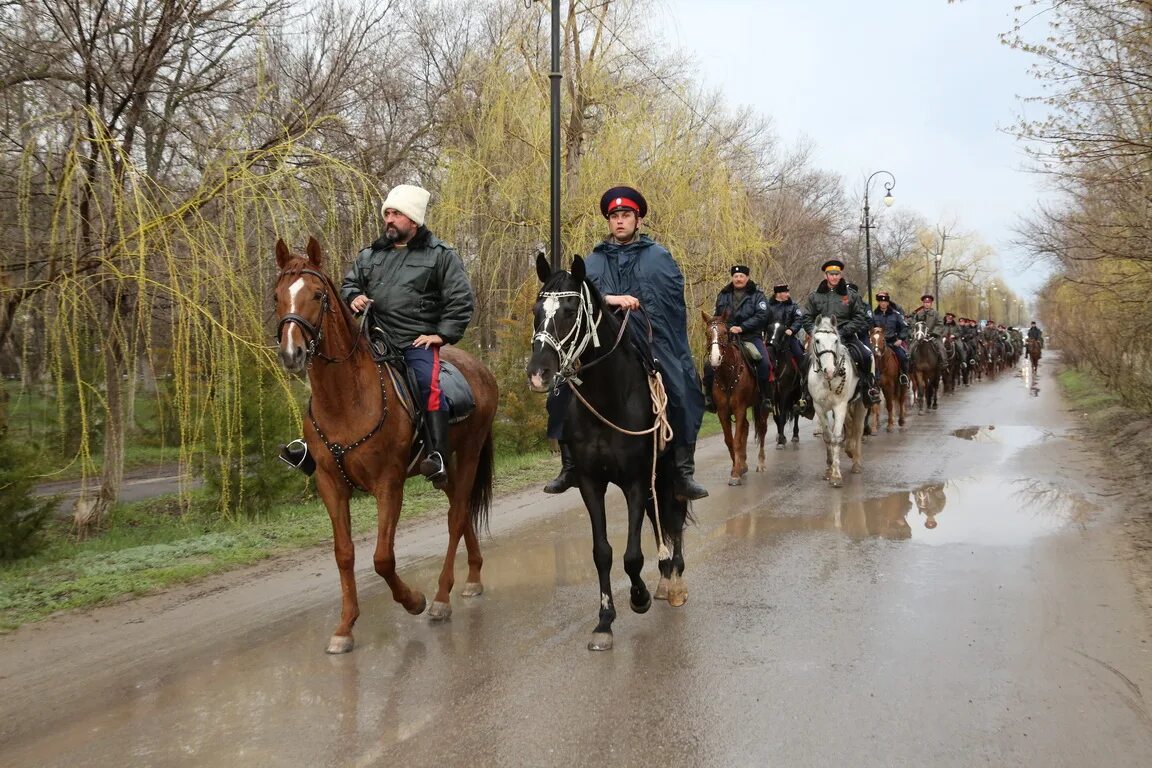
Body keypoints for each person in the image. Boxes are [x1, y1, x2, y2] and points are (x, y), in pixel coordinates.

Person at [543, 185, 708, 500]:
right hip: (600, 341)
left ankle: (683, 472)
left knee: (682, 386)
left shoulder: (658, 258)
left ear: (638, 220)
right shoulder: (593, 261)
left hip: (649, 336)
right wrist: (610, 299)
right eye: (614, 216)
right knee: (561, 386)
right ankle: (570, 466)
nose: (620, 221)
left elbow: (670, 303)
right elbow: (579, 300)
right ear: (609, 221)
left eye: (626, 215)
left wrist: (642, 310)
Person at [339, 183, 474, 487]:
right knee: (335, 371)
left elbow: (461, 299)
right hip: (372, 339)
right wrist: (354, 296)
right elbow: (349, 284)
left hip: (415, 341)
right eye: (386, 213)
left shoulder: (441, 255)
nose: (388, 219)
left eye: (396, 214)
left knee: (428, 383)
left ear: (413, 220)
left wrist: (441, 335)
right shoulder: (370, 255)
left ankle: (438, 454)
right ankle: (314, 449)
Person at [797, 258, 879, 416]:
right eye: (831, 274)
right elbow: (807, 318)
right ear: (825, 275)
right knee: (804, 361)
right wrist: (816, 333)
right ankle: (805, 397)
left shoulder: (851, 295)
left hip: (846, 337)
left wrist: (844, 331)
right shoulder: (815, 296)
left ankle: (868, 390)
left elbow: (859, 317)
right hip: (823, 341)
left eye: (837, 274)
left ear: (840, 275)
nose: (834, 277)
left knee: (866, 356)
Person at [702, 265, 772, 413]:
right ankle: (709, 398)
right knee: (709, 364)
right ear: (732, 278)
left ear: (747, 278)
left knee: (764, 364)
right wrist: (719, 327)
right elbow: (718, 316)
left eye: (741, 276)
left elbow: (762, 315)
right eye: (736, 276)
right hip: (728, 338)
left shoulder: (758, 295)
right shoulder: (723, 295)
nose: (738, 279)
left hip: (751, 337)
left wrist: (742, 327)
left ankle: (765, 398)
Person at [766, 282, 805, 373]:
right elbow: (763, 320)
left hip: (789, 338)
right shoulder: (768, 306)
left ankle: (803, 378)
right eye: (786, 292)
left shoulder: (793, 306)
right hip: (771, 338)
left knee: (800, 355)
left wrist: (792, 329)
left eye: (788, 292)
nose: (788, 294)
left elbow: (799, 319)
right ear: (778, 294)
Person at [872, 291, 910, 384]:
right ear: (879, 302)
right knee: (870, 358)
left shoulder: (895, 314)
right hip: (879, 344)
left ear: (888, 303)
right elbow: (869, 328)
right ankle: (872, 381)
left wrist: (900, 339)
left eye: (885, 302)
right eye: (881, 301)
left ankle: (903, 376)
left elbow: (904, 327)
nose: (883, 303)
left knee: (903, 357)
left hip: (893, 342)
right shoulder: (874, 315)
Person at [909, 293, 947, 360]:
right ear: (923, 303)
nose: (927, 304)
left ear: (931, 303)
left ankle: (944, 363)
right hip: (920, 335)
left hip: (933, 336)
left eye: (928, 302)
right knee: (911, 347)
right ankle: (909, 363)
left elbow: (940, 324)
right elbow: (913, 324)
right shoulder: (918, 313)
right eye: (925, 302)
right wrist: (916, 333)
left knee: (941, 348)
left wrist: (934, 333)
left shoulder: (936, 314)